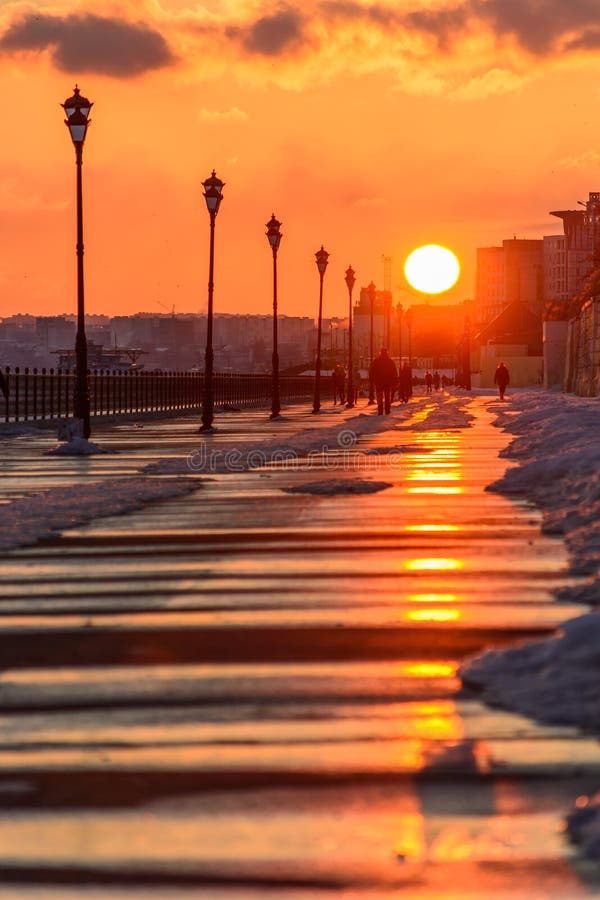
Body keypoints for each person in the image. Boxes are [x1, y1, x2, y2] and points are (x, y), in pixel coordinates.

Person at [370, 347, 398, 415]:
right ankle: (387, 409)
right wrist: (395, 381)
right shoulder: (390, 361)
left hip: (378, 382)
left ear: (380, 353)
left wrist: (372, 380)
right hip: (387, 382)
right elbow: (394, 372)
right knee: (387, 396)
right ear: (387, 353)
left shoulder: (376, 361)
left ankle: (380, 409)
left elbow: (371, 371)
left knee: (379, 396)